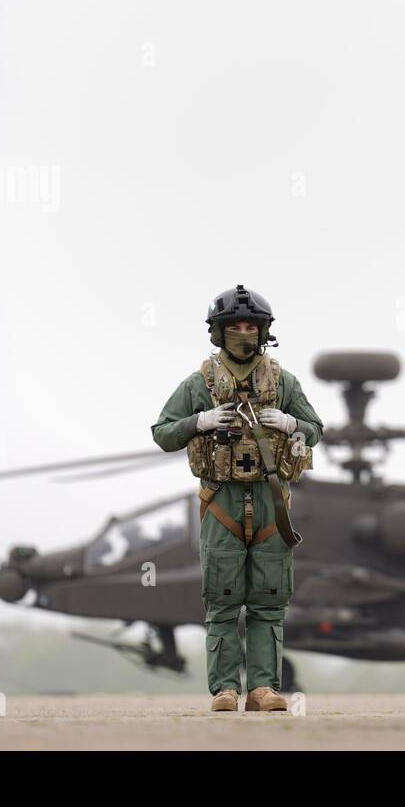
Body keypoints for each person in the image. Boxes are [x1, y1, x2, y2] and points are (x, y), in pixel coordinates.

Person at [151, 285, 323, 712]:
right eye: (235, 327)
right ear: (219, 333)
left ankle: (263, 688)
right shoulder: (199, 384)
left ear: (263, 332)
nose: (244, 333)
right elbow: (163, 433)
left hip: (272, 502)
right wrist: (199, 420)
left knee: (268, 599)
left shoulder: (284, 382)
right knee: (223, 598)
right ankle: (226, 688)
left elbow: (315, 429)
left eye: (251, 326)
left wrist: (289, 423)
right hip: (221, 501)